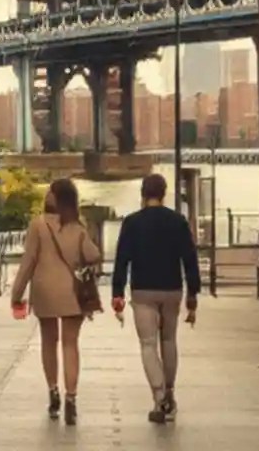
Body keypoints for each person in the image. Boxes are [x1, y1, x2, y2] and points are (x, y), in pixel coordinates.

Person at [10, 178, 102, 426]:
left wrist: (16, 294)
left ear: (54, 197)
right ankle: (71, 398)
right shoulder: (78, 228)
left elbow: (28, 262)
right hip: (73, 293)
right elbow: (94, 255)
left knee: (49, 343)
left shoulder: (38, 226)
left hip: (45, 292)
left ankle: (53, 392)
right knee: (70, 345)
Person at [111, 173, 201, 424]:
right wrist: (193, 293)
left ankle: (159, 395)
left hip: (143, 291)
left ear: (143, 193)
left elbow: (122, 260)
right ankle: (170, 392)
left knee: (148, 344)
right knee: (169, 340)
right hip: (172, 289)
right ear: (163, 193)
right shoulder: (178, 222)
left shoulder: (132, 223)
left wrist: (117, 292)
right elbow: (190, 260)